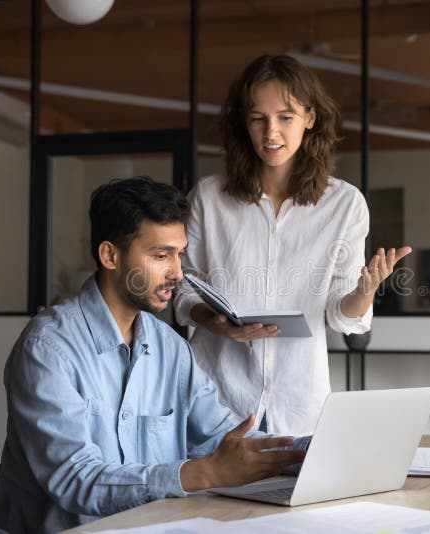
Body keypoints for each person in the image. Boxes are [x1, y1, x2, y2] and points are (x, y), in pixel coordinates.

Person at [0, 177, 307, 534]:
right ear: (110, 255)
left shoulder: (170, 348)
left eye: (179, 254)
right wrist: (203, 473)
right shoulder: (47, 349)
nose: (177, 273)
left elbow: (223, 437)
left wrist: (311, 452)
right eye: (161, 256)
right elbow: (76, 479)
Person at [174, 55, 410, 436]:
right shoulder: (208, 198)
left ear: (310, 117)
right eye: (258, 118)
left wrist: (364, 293)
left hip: (298, 404)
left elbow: (341, 315)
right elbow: (184, 289)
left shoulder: (344, 205)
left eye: (285, 117)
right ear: (243, 122)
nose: (271, 133)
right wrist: (214, 322)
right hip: (215, 399)